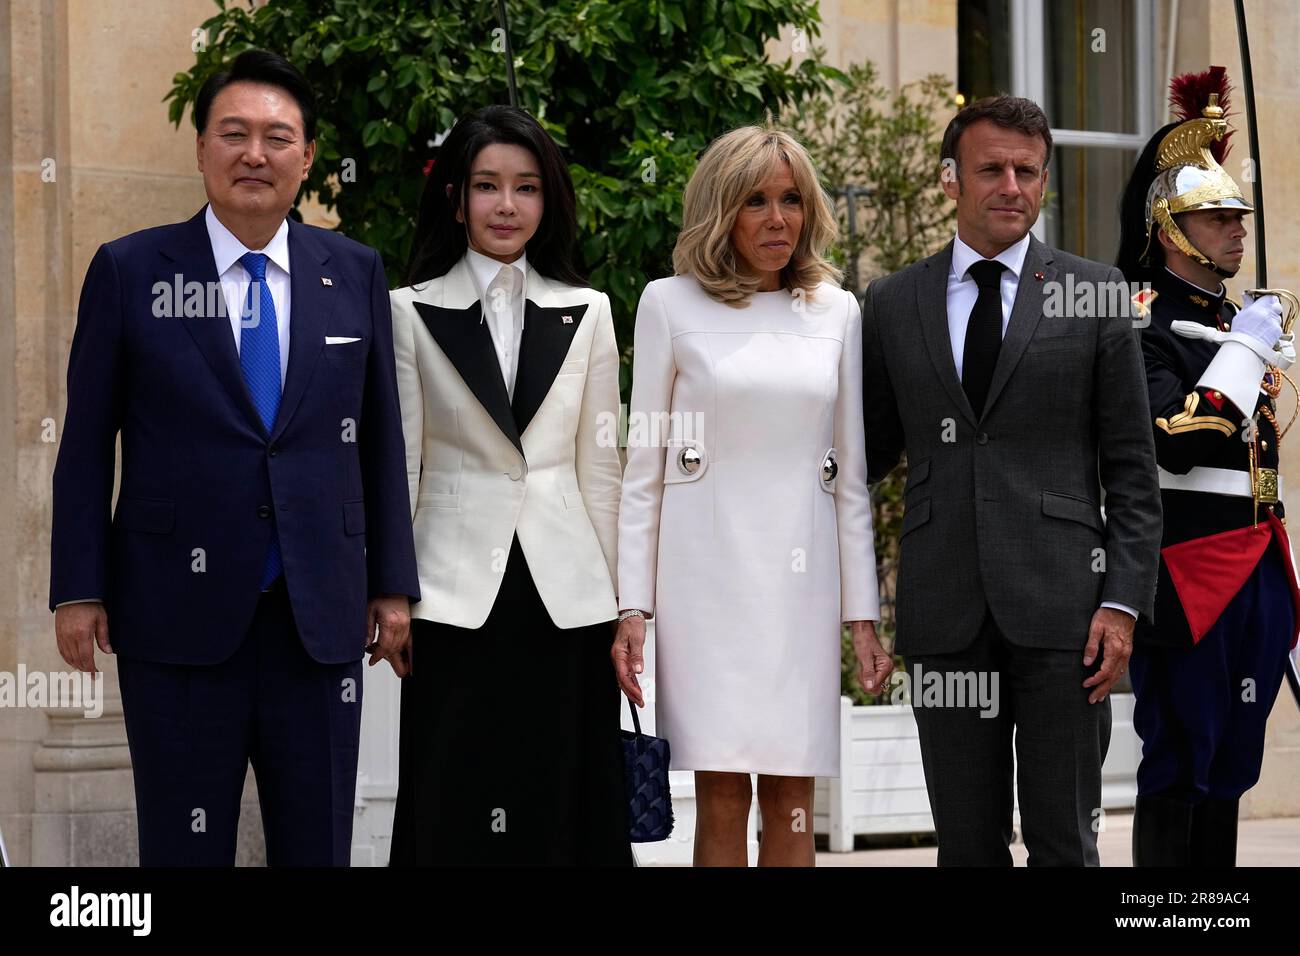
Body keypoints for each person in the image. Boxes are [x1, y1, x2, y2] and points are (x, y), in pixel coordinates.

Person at [48, 50, 419, 866]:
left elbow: (379, 438)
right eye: (235, 134)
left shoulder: (352, 272)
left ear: (309, 156)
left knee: (316, 843)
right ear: (201, 148)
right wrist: (78, 589)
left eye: (278, 137)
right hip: (172, 619)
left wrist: (392, 583)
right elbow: (84, 445)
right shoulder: (131, 269)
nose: (256, 153)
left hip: (318, 617)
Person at [861, 95, 1163, 866]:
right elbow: (861, 458)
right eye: (990, 169)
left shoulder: (1095, 293)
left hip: (1070, 616)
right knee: (966, 845)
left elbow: (1132, 471)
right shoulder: (894, 303)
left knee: (1066, 840)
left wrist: (1122, 603)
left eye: (1028, 172)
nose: (1011, 186)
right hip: (944, 611)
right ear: (949, 181)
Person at [613, 124, 888, 867]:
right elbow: (643, 471)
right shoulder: (667, 303)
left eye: (792, 200)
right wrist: (632, 607)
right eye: (756, 201)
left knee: (794, 799)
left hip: (800, 589)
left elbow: (851, 479)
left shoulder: (837, 312)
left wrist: (863, 615)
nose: (778, 219)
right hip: (705, 585)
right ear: (720, 211)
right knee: (723, 793)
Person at [387, 105, 631, 866]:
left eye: (526, 188)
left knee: (562, 798)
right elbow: (402, 466)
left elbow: (602, 468)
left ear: (546, 200)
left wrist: (626, 606)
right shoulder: (409, 311)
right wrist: (391, 593)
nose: (506, 205)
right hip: (452, 596)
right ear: (456, 198)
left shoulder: (588, 311)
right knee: (454, 795)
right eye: (487, 186)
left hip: (568, 599)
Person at [1116, 67, 1300, 866]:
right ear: (1169, 227)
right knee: (1181, 754)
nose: (1236, 230)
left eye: (1237, 215)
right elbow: (1178, 439)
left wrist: (1245, 336)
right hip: (1189, 566)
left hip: (1258, 557)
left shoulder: (1232, 316)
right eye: (1215, 217)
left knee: (1233, 758)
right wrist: (1247, 351)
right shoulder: (1137, 316)